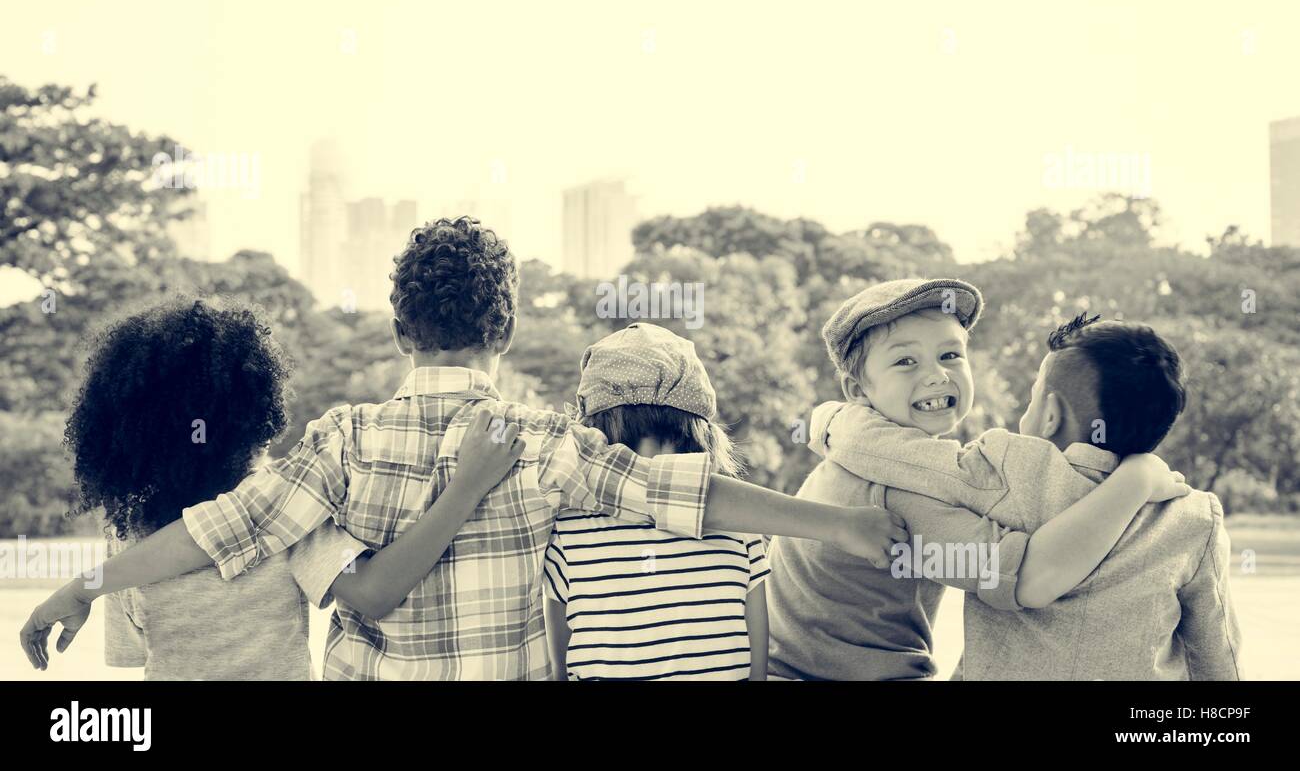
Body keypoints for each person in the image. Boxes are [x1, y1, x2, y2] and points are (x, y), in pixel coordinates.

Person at [22, 217, 905, 680]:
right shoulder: (544, 439)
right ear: (508, 327)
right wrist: (842, 527)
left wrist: (83, 583)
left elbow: (220, 528)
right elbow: (687, 494)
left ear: (399, 326)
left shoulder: (342, 439)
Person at [63, 296, 523, 679]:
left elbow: (134, 655)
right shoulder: (290, 514)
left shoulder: (125, 540)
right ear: (256, 414)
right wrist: (465, 487)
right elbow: (373, 590)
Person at [765, 278, 1189, 680]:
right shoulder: (897, 490)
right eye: (905, 361)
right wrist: (1137, 477)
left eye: (950, 355)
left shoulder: (867, 447)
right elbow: (1029, 579)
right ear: (858, 390)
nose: (936, 375)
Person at [543, 324, 769, 680]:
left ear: (593, 430)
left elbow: (560, 670)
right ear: (700, 426)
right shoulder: (743, 525)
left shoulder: (568, 532)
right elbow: (758, 670)